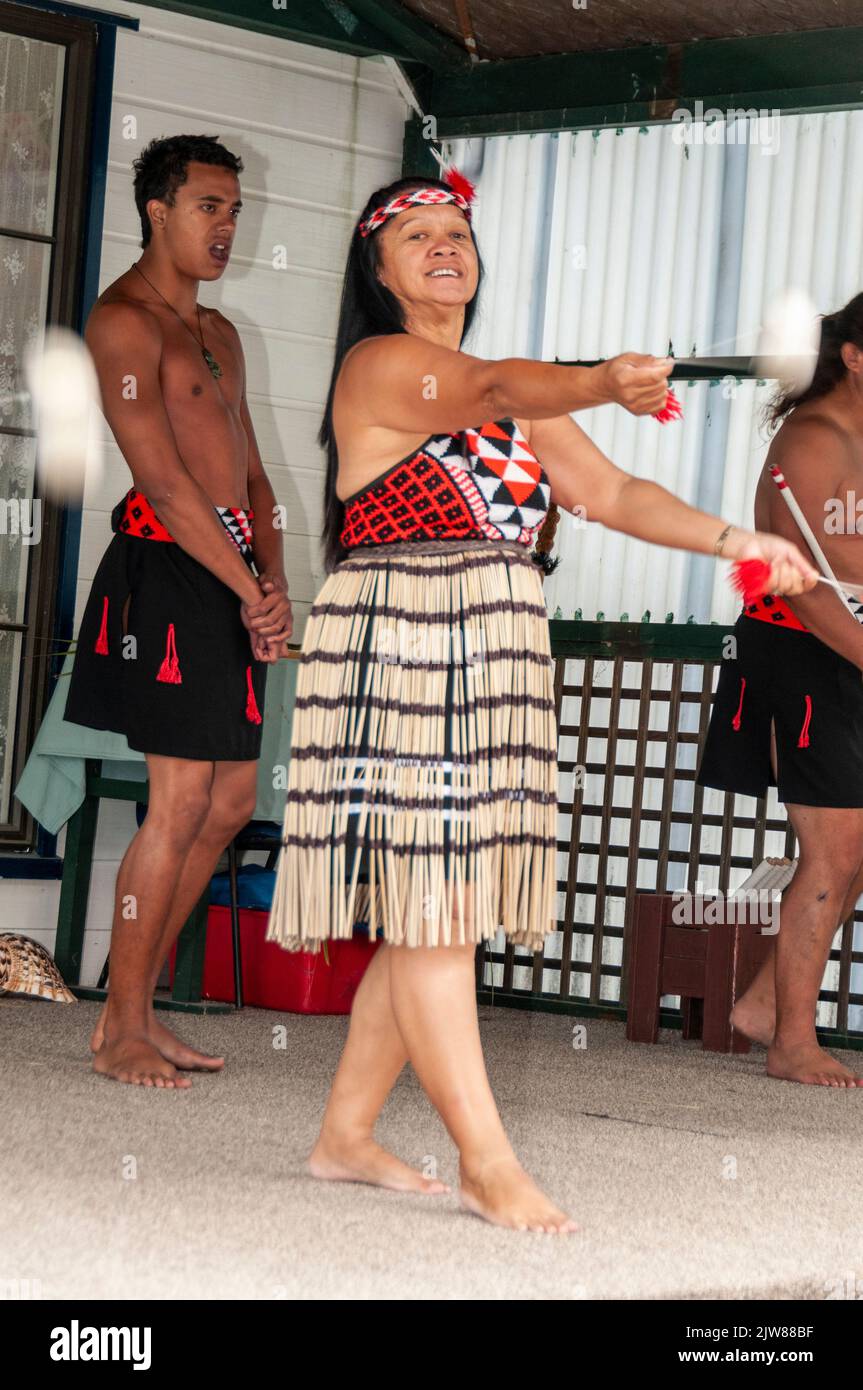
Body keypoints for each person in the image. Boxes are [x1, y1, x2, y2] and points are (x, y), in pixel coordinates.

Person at [265, 170, 817, 1232]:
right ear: (374, 269)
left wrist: (735, 539)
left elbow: (610, 494)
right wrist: (601, 375)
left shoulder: (507, 394)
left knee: (446, 900)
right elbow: (486, 393)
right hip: (405, 632)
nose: (442, 245)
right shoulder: (381, 366)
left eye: (456, 231)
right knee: (435, 902)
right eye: (415, 234)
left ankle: (343, 1134)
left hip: (493, 637)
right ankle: (484, 1158)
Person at [64, 134, 292, 1088]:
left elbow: (251, 476)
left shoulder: (224, 332)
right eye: (209, 206)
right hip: (166, 572)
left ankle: (143, 1005)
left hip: (235, 575)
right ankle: (116, 1027)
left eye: (235, 209)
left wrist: (271, 584)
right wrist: (246, 592)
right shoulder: (123, 324)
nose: (227, 226)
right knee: (181, 799)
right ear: (157, 211)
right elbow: (159, 480)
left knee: (232, 801)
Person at [698, 293, 863, 1089]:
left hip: (844, 649)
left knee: (854, 846)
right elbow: (804, 582)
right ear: (855, 358)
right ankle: (791, 1042)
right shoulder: (810, 439)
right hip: (803, 648)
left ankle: (765, 1005)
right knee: (831, 848)